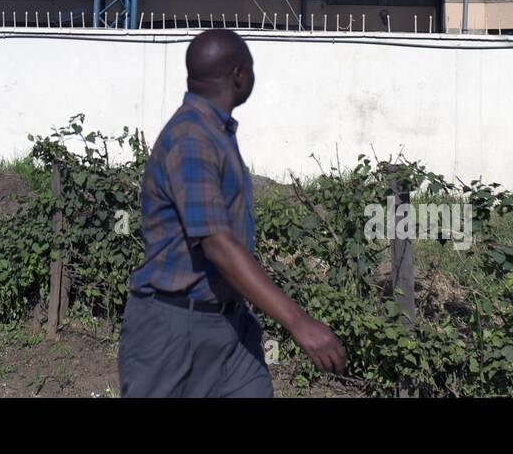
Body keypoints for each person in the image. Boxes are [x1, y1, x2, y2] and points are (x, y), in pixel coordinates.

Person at [118, 29, 347, 398]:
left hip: (228, 326)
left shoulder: (214, 131)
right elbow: (218, 245)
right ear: (239, 74)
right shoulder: (192, 139)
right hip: (174, 329)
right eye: (251, 68)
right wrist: (297, 320)